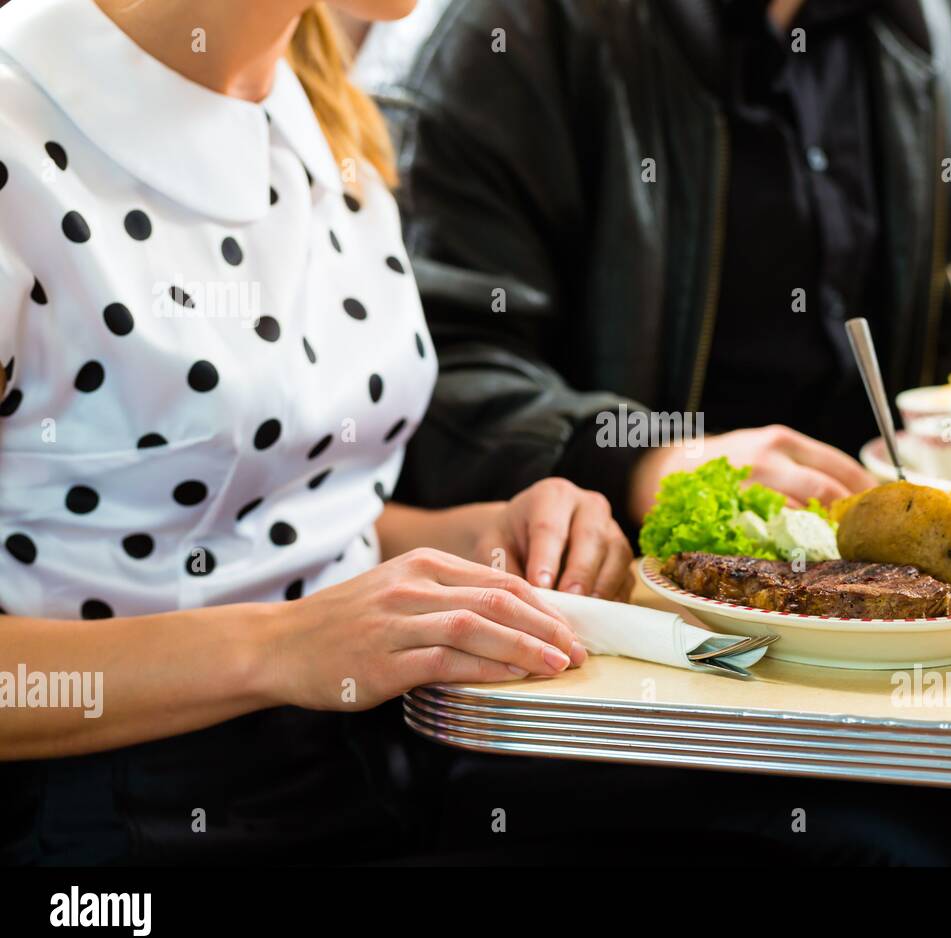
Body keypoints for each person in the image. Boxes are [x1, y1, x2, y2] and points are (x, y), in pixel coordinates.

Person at [0, 0, 634, 865]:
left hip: (369, 769)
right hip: (104, 819)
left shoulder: (314, 100)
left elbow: (273, 524)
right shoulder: (17, 129)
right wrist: (282, 644)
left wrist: (479, 544)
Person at [384, 0, 951, 536]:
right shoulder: (514, 38)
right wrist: (655, 464)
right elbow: (439, 378)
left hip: (938, 619)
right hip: (653, 651)